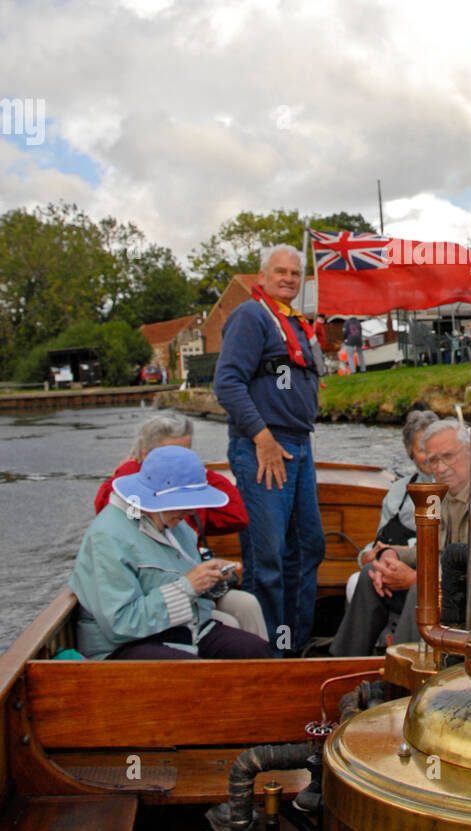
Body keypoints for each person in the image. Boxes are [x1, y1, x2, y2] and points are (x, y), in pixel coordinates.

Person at [213, 244, 325, 655]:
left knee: (308, 548)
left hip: (299, 446)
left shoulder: (294, 322)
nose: (289, 279)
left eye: (295, 273)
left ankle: (294, 644)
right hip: (264, 449)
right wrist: (263, 439)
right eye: (280, 271)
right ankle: (269, 655)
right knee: (269, 560)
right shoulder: (251, 316)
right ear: (261, 277)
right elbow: (227, 384)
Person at [70, 446, 272, 660]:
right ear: (154, 499)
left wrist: (211, 578)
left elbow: (190, 589)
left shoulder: (175, 524)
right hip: (122, 647)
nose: (190, 511)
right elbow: (121, 624)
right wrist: (188, 586)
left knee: (255, 651)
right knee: (191, 670)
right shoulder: (107, 536)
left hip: (182, 630)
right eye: (183, 504)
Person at [93, 410, 266, 639]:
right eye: (172, 454)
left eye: (187, 453)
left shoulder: (190, 487)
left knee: (248, 604)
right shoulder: (128, 488)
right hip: (155, 591)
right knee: (229, 623)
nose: (181, 460)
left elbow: (236, 516)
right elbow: (114, 519)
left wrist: (195, 473)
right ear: (146, 456)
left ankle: (269, 658)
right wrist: (131, 471)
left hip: (194, 582)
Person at [330, 417, 470, 656]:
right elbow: (426, 551)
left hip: (467, 598)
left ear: (469, 452)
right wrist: (390, 554)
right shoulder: (439, 496)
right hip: (437, 585)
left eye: (448, 456)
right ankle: (344, 663)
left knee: (421, 592)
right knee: (370, 574)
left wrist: (415, 578)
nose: (440, 468)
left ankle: (402, 669)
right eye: (433, 460)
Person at [343, 409, 437, 604]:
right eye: (422, 450)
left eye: (434, 447)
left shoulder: (453, 490)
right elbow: (381, 539)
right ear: (410, 451)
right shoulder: (398, 491)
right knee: (356, 581)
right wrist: (367, 556)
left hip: (432, 569)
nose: (430, 456)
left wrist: (399, 552)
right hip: (390, 563)